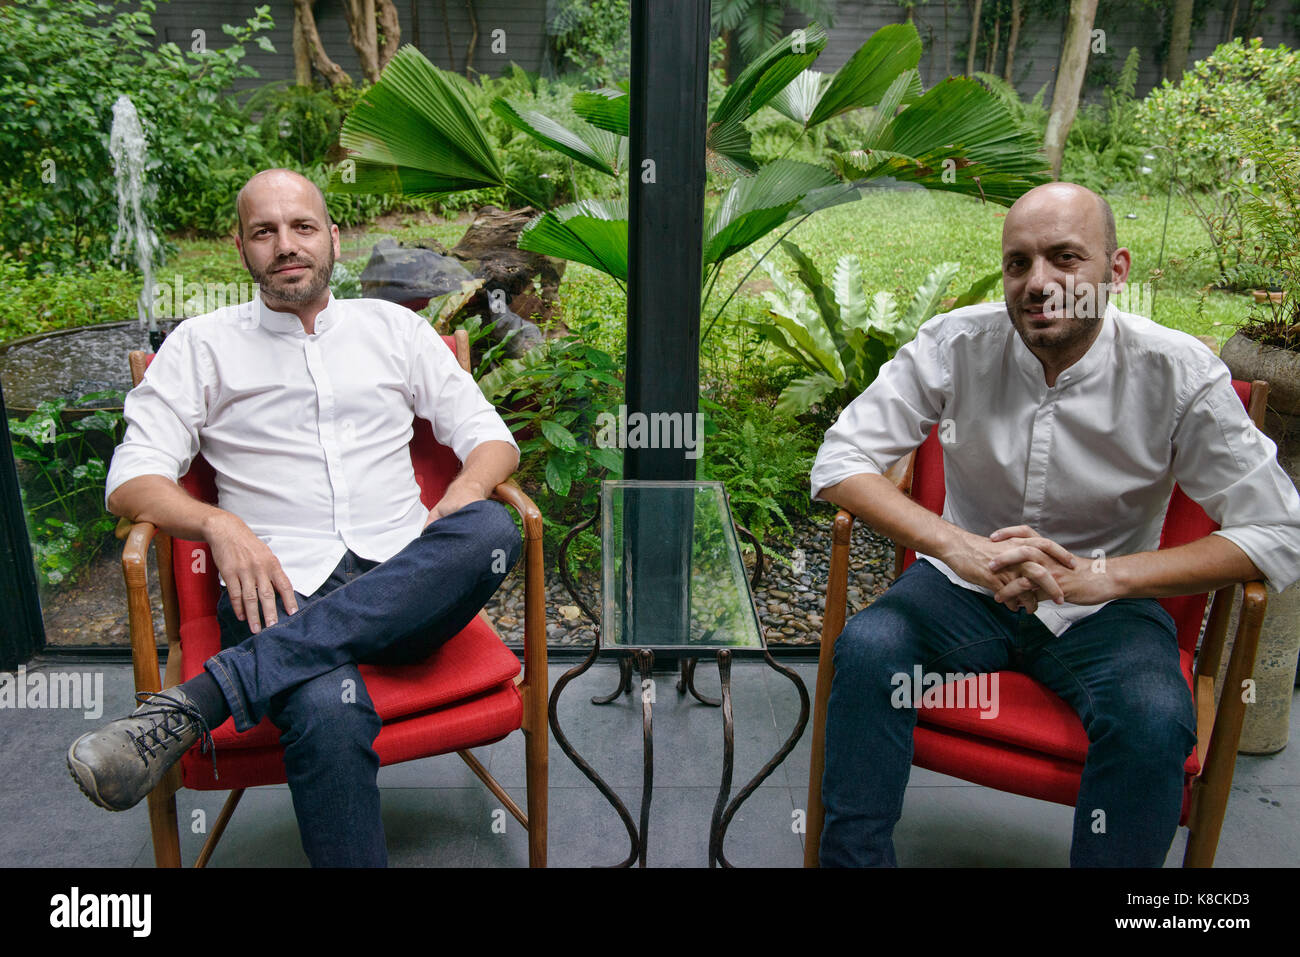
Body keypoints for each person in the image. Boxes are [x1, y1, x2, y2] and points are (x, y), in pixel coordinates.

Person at [811, 182, 1300, 867]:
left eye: (1065, 257)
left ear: (1116, 269)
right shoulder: (956, 344)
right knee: (868, 651)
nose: (1038, 283)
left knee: (1154, 718)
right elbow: (840, 460)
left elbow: (1278, 529)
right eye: (1018, 263)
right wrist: (961, 548)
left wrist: (1103, 576)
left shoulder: (1176, 372)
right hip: (960, 589)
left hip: (1107, 609)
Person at [67, 169, 523, 867]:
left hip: (408, 586)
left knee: (491, 528)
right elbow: (130, 480)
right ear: (241, 247)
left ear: (333, 238)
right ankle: (254, 678)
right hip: (276, 595)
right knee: (326, 711)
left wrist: (465, 488)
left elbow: (491, 439)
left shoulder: (394, 329)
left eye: (303, 227)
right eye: (265, 231)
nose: (286, 245)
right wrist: (219, 526)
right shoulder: (201, 346)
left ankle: (203, 697)